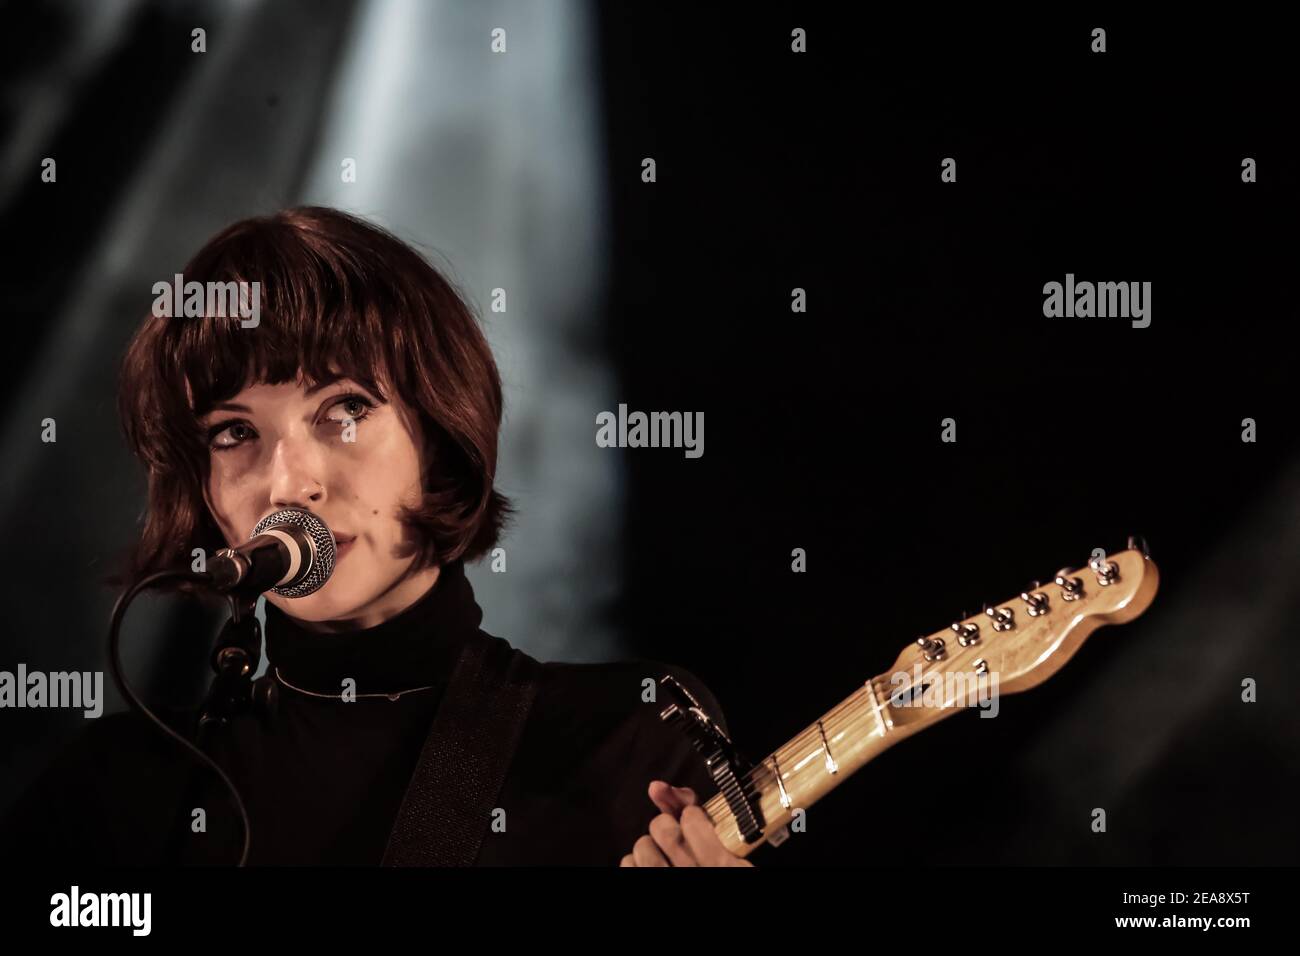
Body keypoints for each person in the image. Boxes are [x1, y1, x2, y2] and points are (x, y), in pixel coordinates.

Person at [0, 206, 751, 867]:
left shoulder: (631, 738)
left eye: (344, 409)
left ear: (441, 429)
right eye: (234, 432)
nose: (289, 483)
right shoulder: (120, 793)